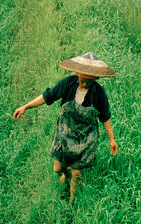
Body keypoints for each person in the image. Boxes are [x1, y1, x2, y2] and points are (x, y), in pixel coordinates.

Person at [13, 53, 117, 202]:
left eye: (89, 81)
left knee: (77, 174)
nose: (85, 84)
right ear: (77, 74)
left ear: (95, 78)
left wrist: (112, 140)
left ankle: (71, 204)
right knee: (57, 168)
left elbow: (105, 116)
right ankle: (65, 174)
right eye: (83, 80)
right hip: (65, 132)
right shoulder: (67, 84)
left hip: (86, 137)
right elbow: (47, 96)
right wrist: (26, 106)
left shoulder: (99, 93)